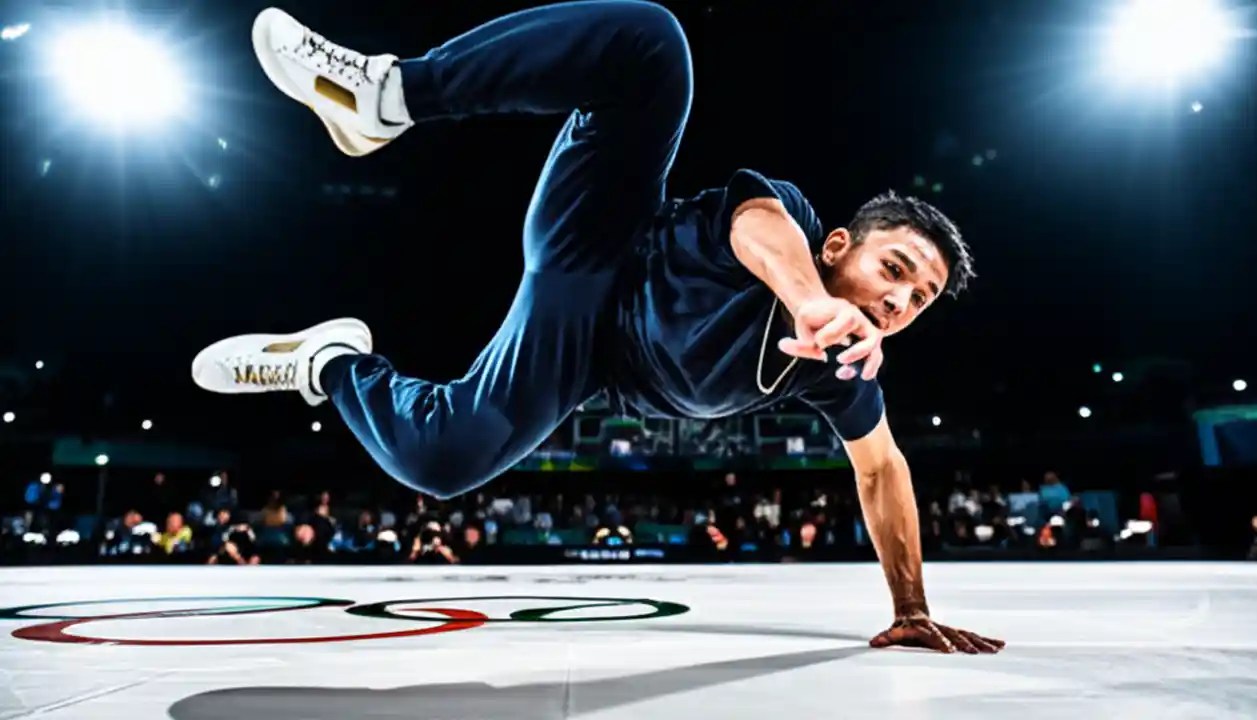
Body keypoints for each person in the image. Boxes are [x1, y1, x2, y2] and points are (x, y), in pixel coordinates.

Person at [192, 0, 1002, 654]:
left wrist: (911, 606)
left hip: (582, 353)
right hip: (603, 236)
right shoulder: (789, 226)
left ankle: (329, 361)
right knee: (652, 44)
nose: (898, 303)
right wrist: (805, 298)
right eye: (894, 270)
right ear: (838, 247)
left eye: (919, 300)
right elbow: (756, 223)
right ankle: (390, 95)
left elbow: (883, 471)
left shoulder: (841, 372)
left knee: (441, 460)